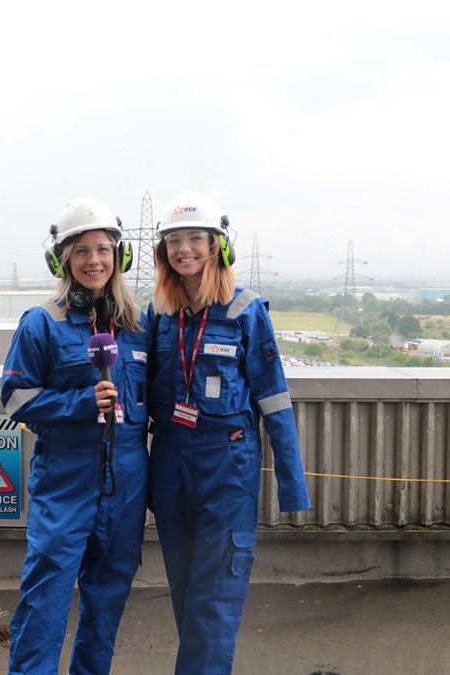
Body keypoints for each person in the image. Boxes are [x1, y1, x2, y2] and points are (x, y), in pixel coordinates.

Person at [146, 191, 311, 674]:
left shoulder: (246, 311)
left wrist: (291, 483)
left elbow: (275, 400)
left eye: (195, 238)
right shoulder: (158, 314)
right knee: (185, 589)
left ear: (218, 246)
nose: (184, 249)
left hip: (227, 466)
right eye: (174, 240)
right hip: (171, 462)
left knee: (216, 594)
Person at [1, 197, 150, 675]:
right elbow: (16, 400)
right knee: (45, 600)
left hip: (125, 485)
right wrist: (80, 404)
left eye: (103, 249)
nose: (94, 260)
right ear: (62, 261)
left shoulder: (138, 327)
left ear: (119, 257)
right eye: (81, 251)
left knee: (106, 604)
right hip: (65, 481)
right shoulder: (42, 323)